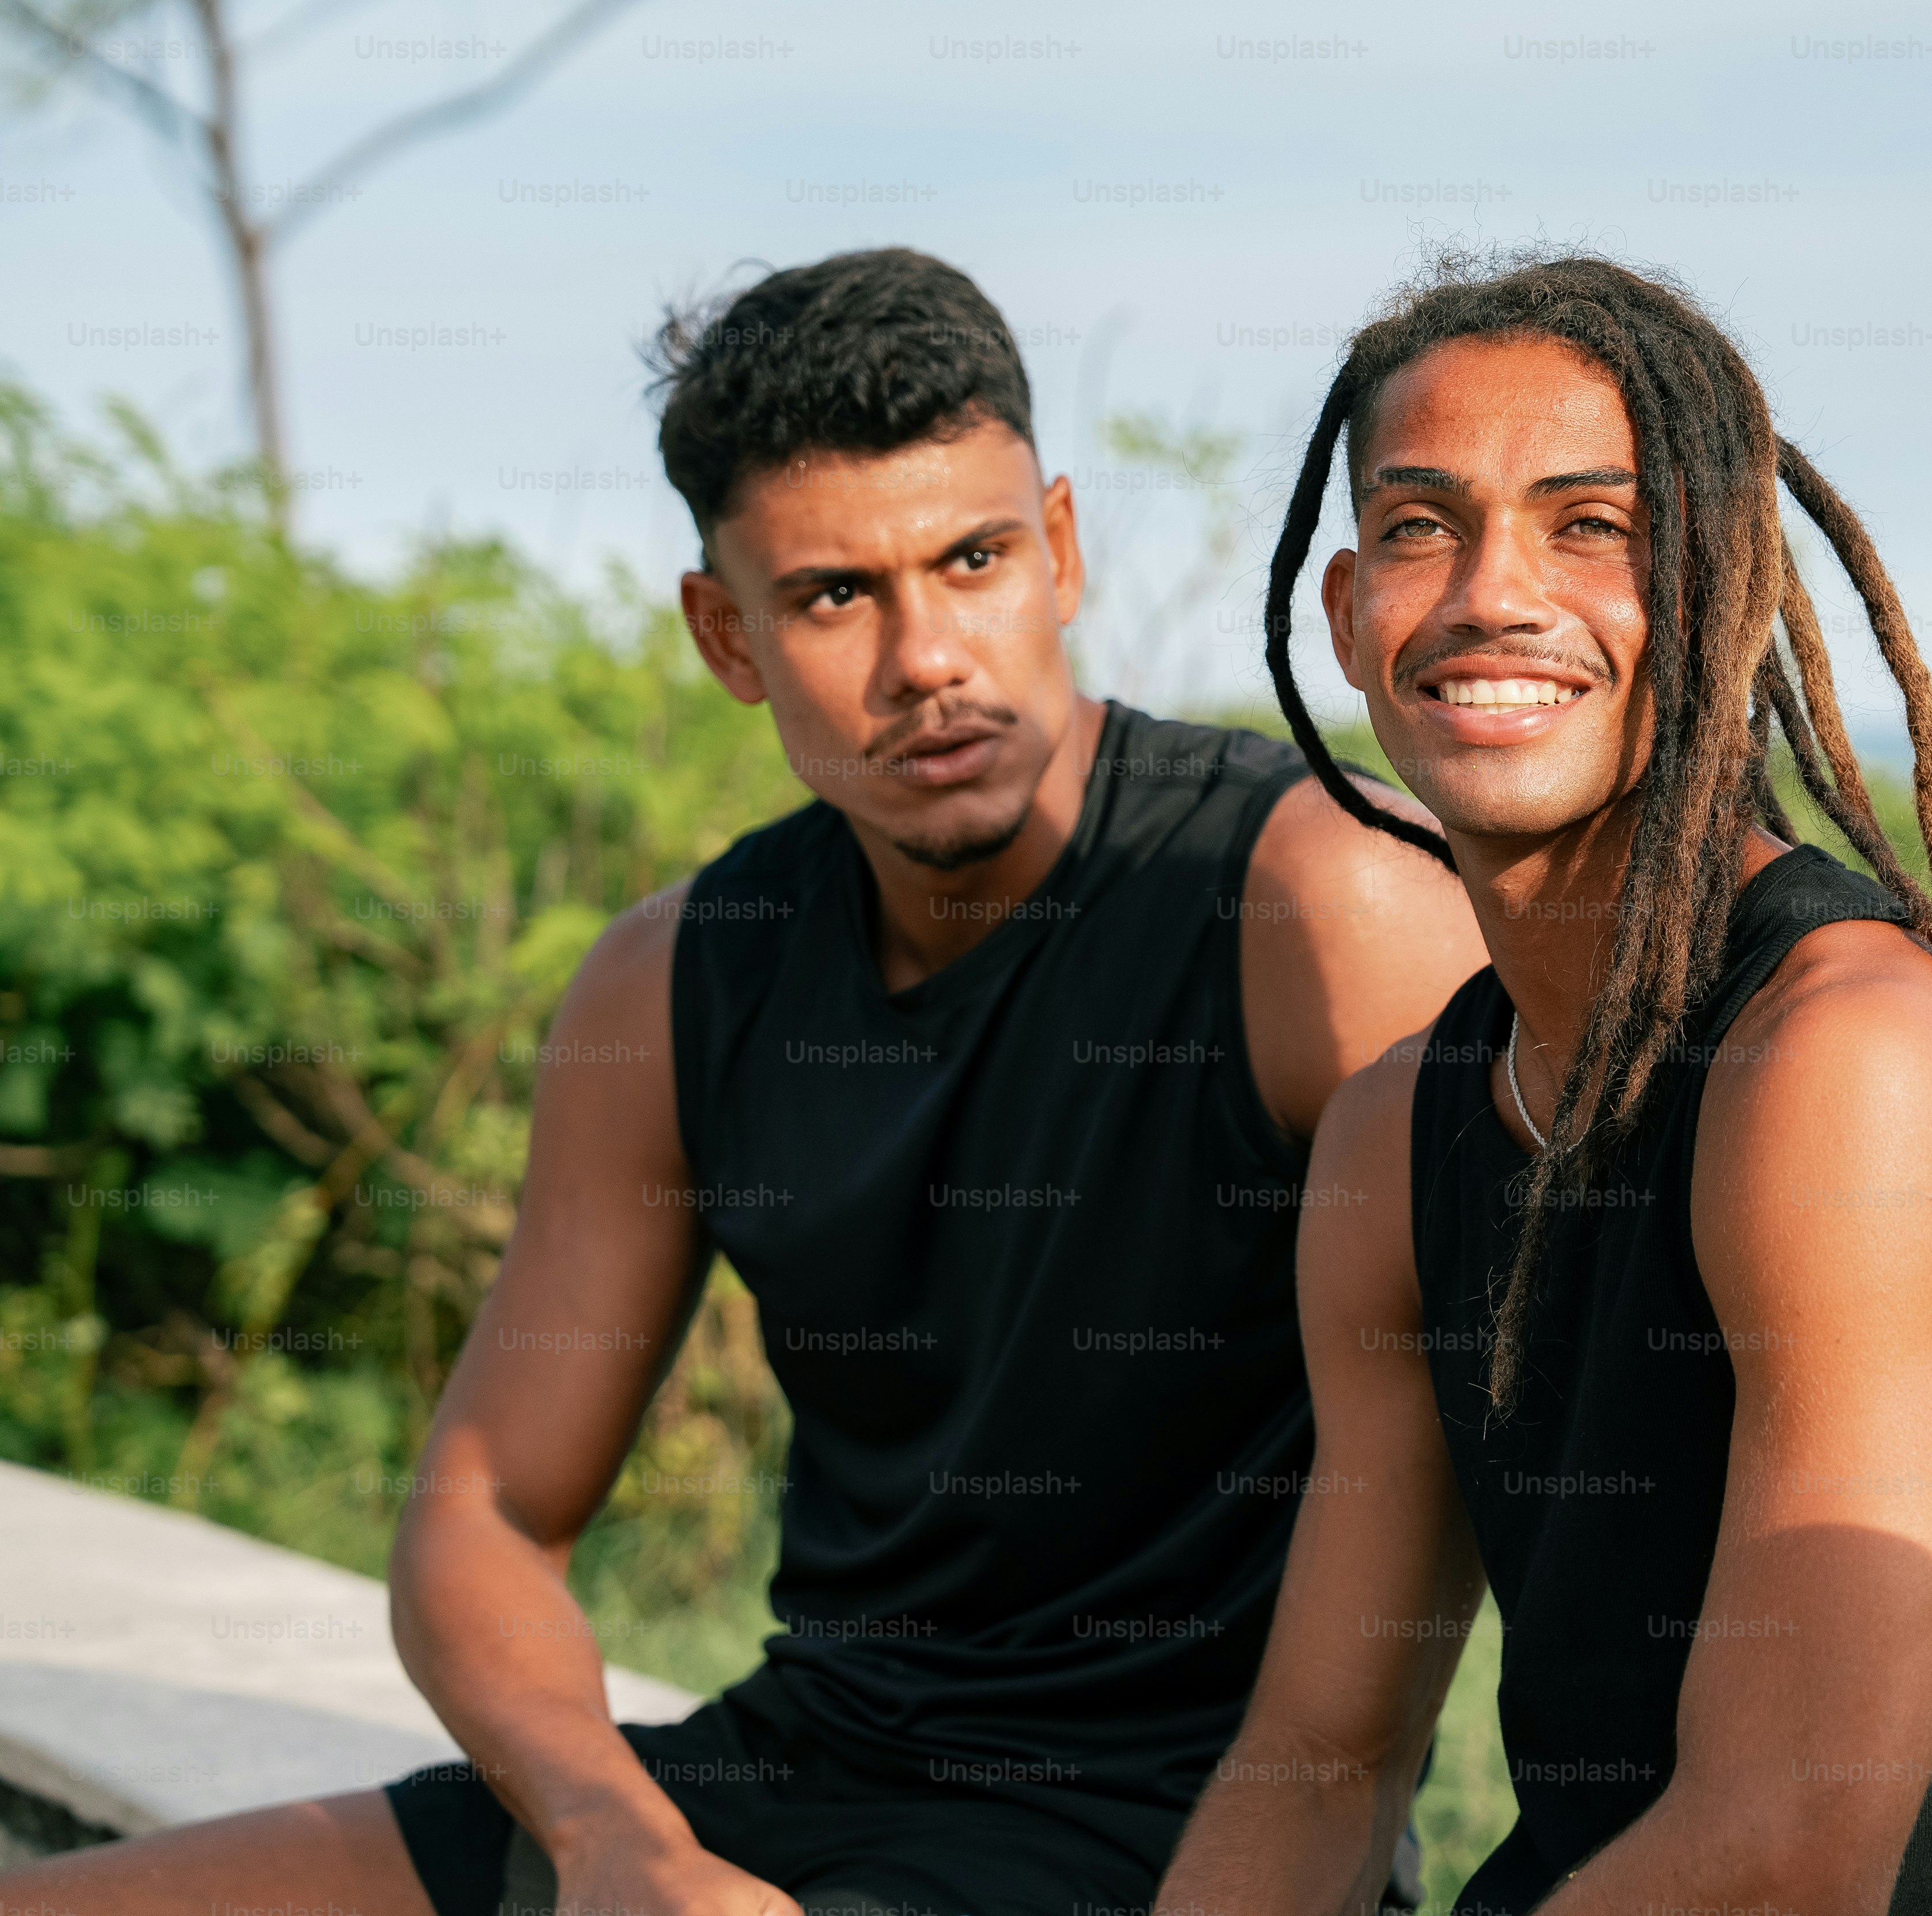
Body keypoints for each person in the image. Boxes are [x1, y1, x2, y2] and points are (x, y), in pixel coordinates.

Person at [6, 249, 1482, 1916]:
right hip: (772, 1782)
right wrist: (611, 1842)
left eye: (976, 560)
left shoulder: (1322, 905)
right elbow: (486, 1508)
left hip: (1145, 1841)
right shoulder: (677, 981)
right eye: (836, 596)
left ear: (1060, 550)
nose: (929, 656)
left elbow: (1506, 1484)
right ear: (728, 633)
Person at [1157, 257, 1932, 1916]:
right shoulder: (1396, 1139)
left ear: (1726, 596)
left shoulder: (1857, 1063)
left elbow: (1789, 1851)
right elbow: (1322, 1760)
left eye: (1592, 527)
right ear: (1346, 615)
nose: (1490, 596)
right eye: (1421, 526)